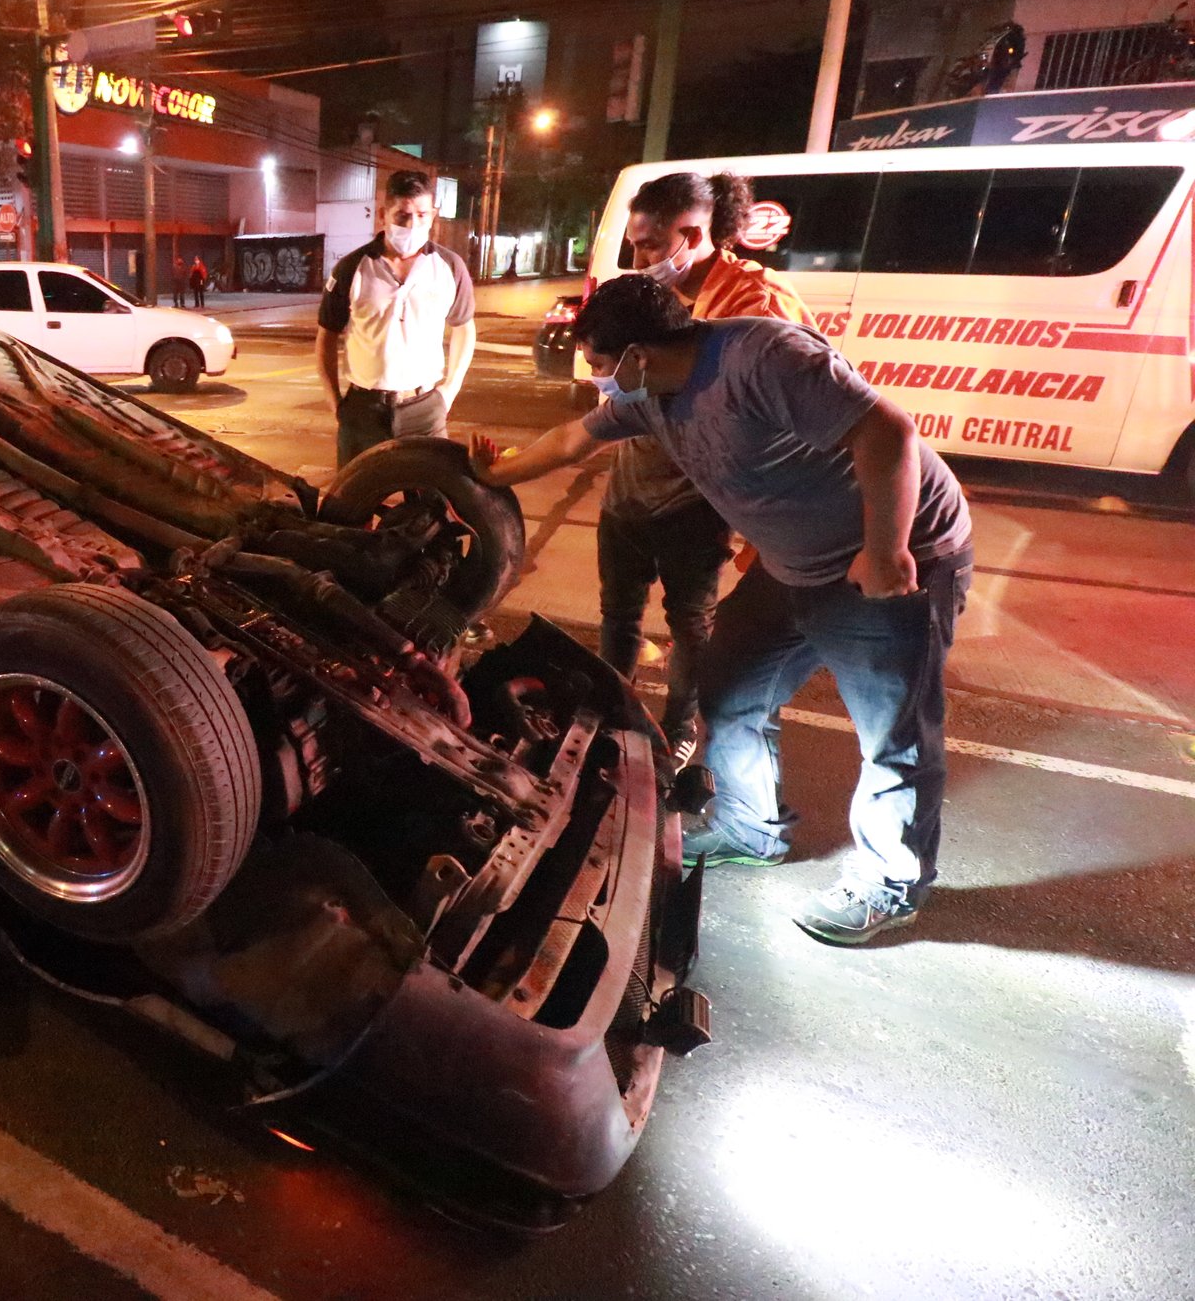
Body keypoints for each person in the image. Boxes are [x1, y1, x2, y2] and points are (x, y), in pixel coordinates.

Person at [474, 275, 974, 946]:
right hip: (789, 565)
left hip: (882, 560)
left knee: (894, 734)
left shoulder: (761, 357)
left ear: (638, 355)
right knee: (729, 683)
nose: (596, 380)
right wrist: (492, 474)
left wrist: (886, 549)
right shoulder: (651, 397)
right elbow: (572, 441)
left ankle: (891, 883)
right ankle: (749, 825)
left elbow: (888, 432)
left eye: (599, 364)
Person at [602, 171, 814, 766]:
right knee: (619, 615)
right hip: (631, 488)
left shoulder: (757, 305)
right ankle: (610, 714)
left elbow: (800, 417)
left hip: (696, 505)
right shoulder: (652, 297)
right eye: (634, 245)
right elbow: (610, 403)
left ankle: (677, 732)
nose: (639, 258)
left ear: (692, 233)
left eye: (648, 244)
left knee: (690, 624)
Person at [316, 169, 477, 467]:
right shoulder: (352, 268)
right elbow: (326, 336)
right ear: (382, 214)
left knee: (431, 505)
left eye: (421, 215)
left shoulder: (449, 267)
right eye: (402, 216)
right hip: (364, 410)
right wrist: (335, 403)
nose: (412, 224)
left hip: (424, 409)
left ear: (433, 216)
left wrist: (450, 389)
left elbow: (464, 328)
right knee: (350, 507)